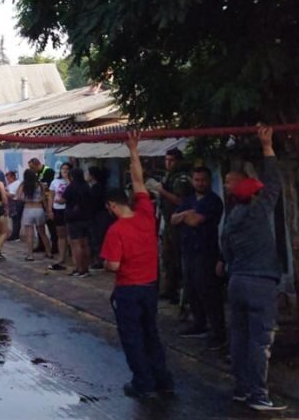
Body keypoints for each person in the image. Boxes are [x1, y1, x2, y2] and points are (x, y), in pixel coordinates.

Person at [102, 130, 175, 399]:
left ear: (111, 206)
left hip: (129, 289)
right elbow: (138, 180)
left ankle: (143, 382)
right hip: (150, 286)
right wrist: (133, 149)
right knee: (151, 332)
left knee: (132, 337)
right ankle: (163, 379)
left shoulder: (116, 231)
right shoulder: (145, 214)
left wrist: (110, 264)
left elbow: (112, 265)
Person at [220, 125, 286, 411]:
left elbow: (225, 251)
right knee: (260, 341)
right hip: (260, 283)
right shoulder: (259, 211)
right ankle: (259, 395)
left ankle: (242, 389)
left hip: (237, 281)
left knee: (239, 336)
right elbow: (275, 184)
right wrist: (267, 147)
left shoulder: (231, 218)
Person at [173, 165, 227, 350]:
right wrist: (186, 214)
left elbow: (195, 221)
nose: (199, 183)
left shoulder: (213, 201)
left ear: (209, 181)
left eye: (202, 180)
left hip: (206, 251)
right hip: (189, 250)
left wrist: (186, 216)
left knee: (209, 291)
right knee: (192, 288)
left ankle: (218, 332)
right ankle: (199, 324)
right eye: (196, 180)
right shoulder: (188, 199)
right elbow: (174, 219)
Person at [157, 147, 194, 304]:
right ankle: (170, 289)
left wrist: (161, 191)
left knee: (179, 258)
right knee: (168, 258)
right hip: (169, 222)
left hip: (181, 224)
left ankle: (182, 292)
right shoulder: (170, 177)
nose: (168, 163)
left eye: (171, 160)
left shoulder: (182, 179)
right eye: (166, 160)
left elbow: (180, 201)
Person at [65, 166, 94, 278]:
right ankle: (86, 268)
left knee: (76, 244)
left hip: (74, 218)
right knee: (86, 244)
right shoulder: (86, 186)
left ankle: (79, 268)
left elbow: (63, 199)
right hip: (86, 218)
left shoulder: (71, 187)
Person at [19, 168, 50, 261]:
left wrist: (26, 199)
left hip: (28, 209)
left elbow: (18, 197)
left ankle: (30, 255)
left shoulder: (24, 185)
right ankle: (49, 252)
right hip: (39, 209)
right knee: (42, 233)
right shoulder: (40, 185)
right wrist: (47, 211)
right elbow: (43, 198)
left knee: (29, 234)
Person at [47, 162, 73, 271]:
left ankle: (73, 258)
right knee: (61, 234)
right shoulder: (55, 182)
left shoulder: (72, 183)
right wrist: (49, 210)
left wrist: (68, 180)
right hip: (58, 210)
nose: (64, 171)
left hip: (69, 210)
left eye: (67, 169)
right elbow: (51, 196)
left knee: (71, 235)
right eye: (63, 169)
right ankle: (61, 257)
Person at [90, 166, 113, 271]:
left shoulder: (95, 188)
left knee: (98, 238)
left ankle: (100, 259)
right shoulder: (104, 186)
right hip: (104, 214)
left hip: (98, 215)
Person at [6, 170, 23, 242]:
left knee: (16, 219)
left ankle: (15, 235)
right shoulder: (12, 184)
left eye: (8, 178)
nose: (8, 180)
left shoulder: (16, 184)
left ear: (13, 177)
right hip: (12, 203)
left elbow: (12, 195)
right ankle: (14, 234)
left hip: (16, 202)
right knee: (14, 219)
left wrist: (3, 191)